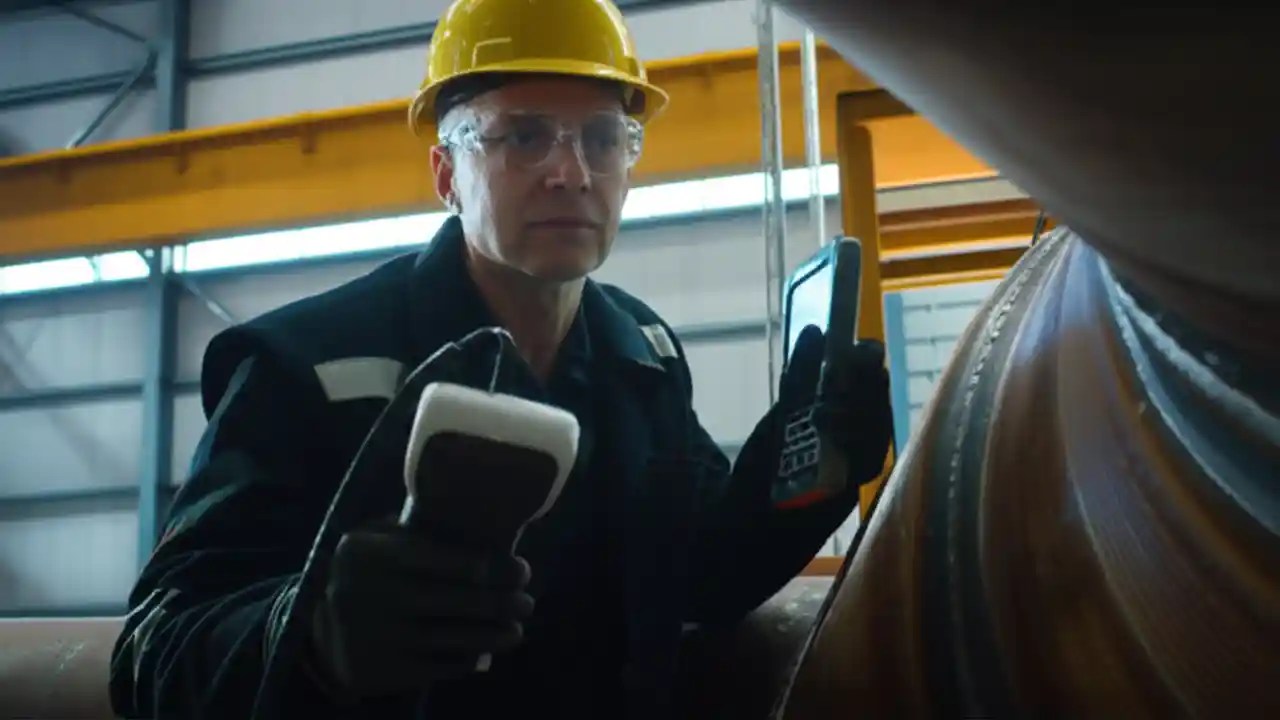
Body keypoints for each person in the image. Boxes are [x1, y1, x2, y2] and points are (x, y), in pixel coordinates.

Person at [107, 0, 892, 717]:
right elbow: (152, 652)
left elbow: (696, 580)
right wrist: (310, 637)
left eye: (602, 138)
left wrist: (799, 485)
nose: (572, 172)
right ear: (446, 172)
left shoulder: (640, 359)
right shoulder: (306, 367)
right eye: (523, 135)